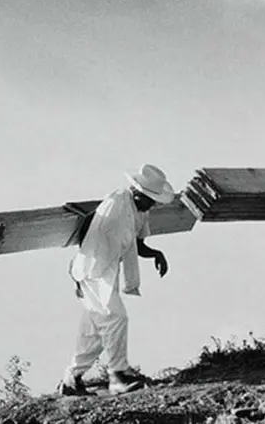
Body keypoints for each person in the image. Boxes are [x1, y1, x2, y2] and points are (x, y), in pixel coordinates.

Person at [58, 164, 174, 396]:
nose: (152, 205)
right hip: (92, 270)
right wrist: (77, 271)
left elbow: (138, 243)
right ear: (138, 193)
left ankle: (71, 380)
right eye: (150, 200)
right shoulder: (116, 202)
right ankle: (118, 376)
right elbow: (88, 226)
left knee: (96, 330)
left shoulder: (141, 210)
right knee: (116, 318)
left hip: (108, 272)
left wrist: (156, 254)